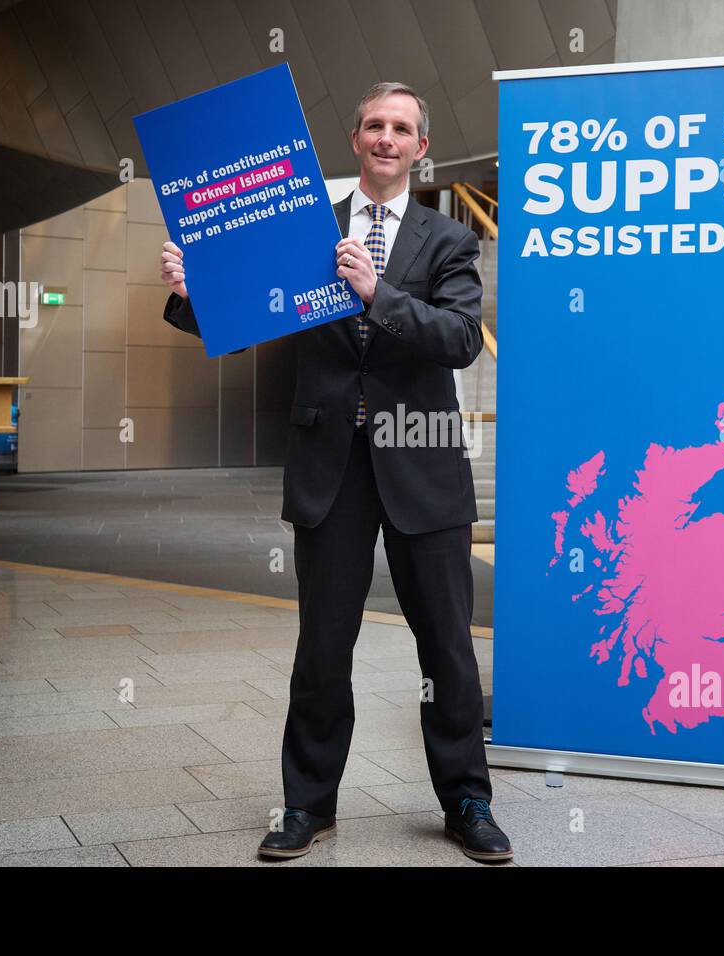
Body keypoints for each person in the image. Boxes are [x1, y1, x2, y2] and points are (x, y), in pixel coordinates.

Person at [158, 81, 512, 863]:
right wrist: (190, 295)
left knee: (447, 649)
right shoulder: (301, 229)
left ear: (422, 148)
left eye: (403, 128)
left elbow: (457, 337)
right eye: (374, 126)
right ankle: (306, 804)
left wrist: (374, 293)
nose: (387, 138)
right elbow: (244, 311)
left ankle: (466, 801)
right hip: (332, 469)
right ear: (354, 140)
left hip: (422, 466)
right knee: (322, 648)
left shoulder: (447, 241)